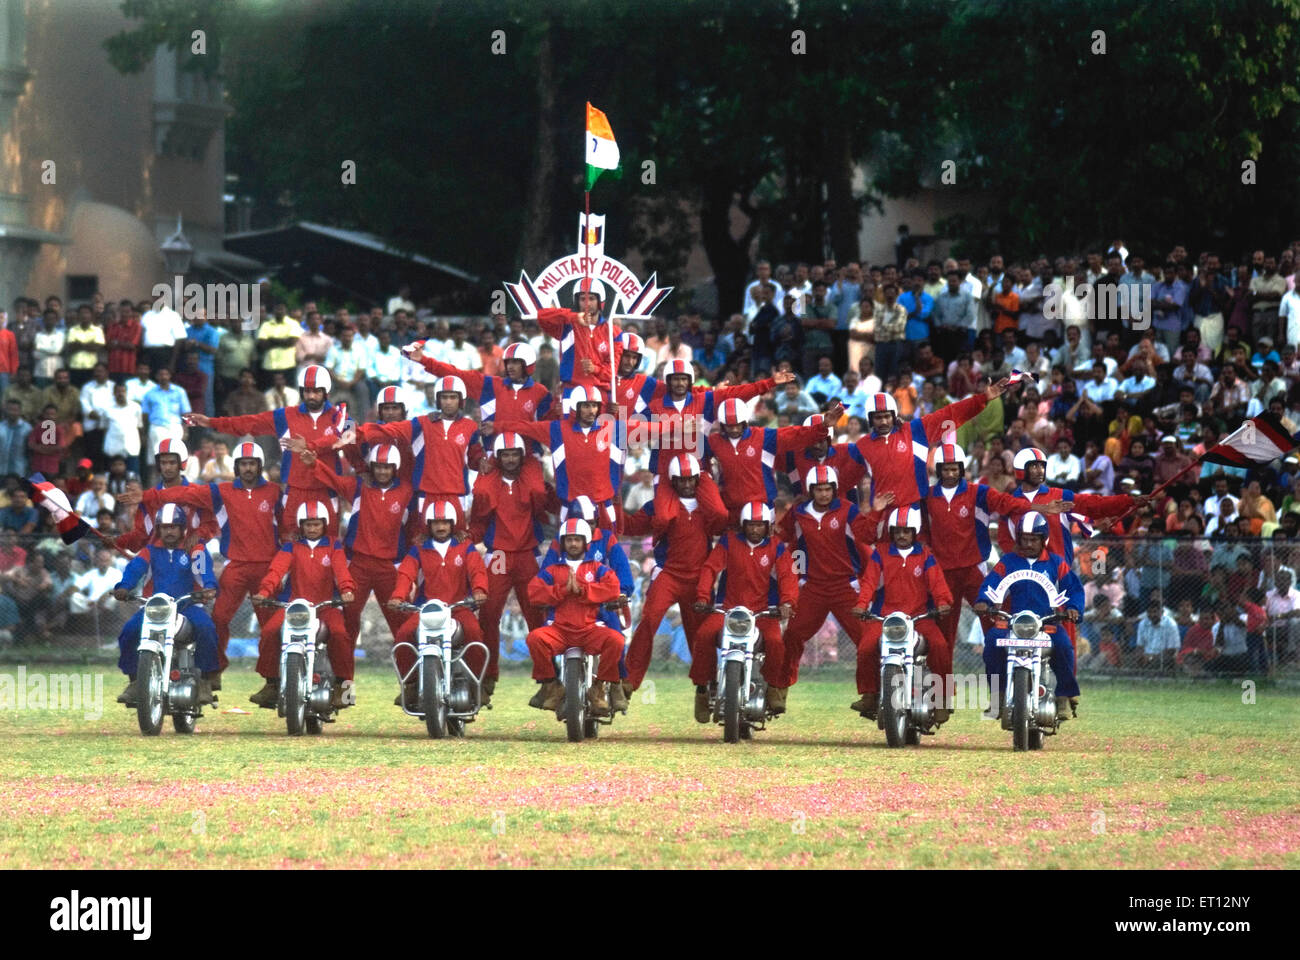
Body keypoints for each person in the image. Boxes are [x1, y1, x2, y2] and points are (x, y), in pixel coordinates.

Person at [116, 441, 280, 686]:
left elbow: (204, 566)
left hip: (249, 571)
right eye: (243, 464)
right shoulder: (151, 548)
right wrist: (122, 570)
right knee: (216, 620)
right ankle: (138, 682)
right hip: (207, 573)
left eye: (251, 464)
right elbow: (136, 558)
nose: (247, 468)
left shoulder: (275, 491)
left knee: (265, 627)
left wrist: (208, 581)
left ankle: (268, 680)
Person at [774, 466, 893, 712]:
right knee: (793, 635)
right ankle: (777, 689)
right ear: (811, 490)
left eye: (828, 489)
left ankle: (872, 694)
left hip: (845, 586)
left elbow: (866, 534)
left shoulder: (847, 510)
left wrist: (874, 512)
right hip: (813, 587)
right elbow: (783, 535)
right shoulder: (798, 513)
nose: (824, 494)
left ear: (835, 490)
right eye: (819, 489)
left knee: (867, 641)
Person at [185, 364, 347, 539]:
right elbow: (248, 422)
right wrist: (211, 422)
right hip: (295, 492)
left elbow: (350, 437)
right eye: (307, 391)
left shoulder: (340, 415)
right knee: (290, 545)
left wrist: (310, 446)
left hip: (327, 490)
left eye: (316, 391)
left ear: (326, 392)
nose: (311, 396)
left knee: (329, 546)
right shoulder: (285, 416)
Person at [621, 453, 728, 697]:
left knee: (701, 634)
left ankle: (705, 685)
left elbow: (724, 522)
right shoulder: (659, 505)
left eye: (691, 479)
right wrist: (611, 509)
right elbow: (631, 525)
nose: (688, 484)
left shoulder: (708, 505)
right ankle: (628, 680)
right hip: (667, 574)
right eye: (682, 480)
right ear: (673, 481)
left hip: (699, 578)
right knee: (648, 621)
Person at [300, 441, 418, 657]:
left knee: (403, 625)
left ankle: (410, 685)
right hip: (358, 565)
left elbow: (415, 527)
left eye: (387, 467)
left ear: (395, 468)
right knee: (346, 622)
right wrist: (314, 464)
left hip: (390, 567)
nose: (382, 471)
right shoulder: (358, 487)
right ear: (371, 467)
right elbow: (334, 480)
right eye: (378, 466)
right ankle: (343, 685)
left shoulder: (407, 491)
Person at [468, 431, 557, 703]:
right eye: (504, 454)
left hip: (528, 554)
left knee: (537, 619)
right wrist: (465, 540)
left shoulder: (532, 482)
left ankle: (548, 680)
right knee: (488, 616)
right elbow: (479, 521)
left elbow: (550, 503)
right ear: (497, 457)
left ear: (521, 456)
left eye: (513, 454)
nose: (509, 459)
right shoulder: (488, 483)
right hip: (499, 556)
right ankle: (486, 676)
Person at [692, 501, 796, 722]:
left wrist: (787, 603)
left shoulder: (776, 546)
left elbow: (787, 575)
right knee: (702, 636)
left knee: (776, 643)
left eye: (760, 525)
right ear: (743, 525)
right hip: (728, 610)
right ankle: (702, 689)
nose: (755, 530)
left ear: (768, 526)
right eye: (750, 525)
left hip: (763, 612)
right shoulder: (729, 541)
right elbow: (711, 568)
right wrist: (703, 597)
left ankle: (772, 688)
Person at [974, 513, 1084, 720]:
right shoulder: (1008, 561)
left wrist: (1074, 607)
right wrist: (983, 600)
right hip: (1013, 623)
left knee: (1064, 648)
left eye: (1034, 539)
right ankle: (997, 696)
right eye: (1024, 539)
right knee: (991, 643)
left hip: (1046, 624)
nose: (1029, 543)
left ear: (1044, 540)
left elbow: (1074, 589)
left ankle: (1062, 696)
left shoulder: (1056, 563)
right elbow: (991, 583)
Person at [250, 501, 357, 709]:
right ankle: (271, 683)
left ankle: (344, 687)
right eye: (308, 524)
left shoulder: (334, 545)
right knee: (270, 631)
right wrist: (264, 592)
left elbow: (341, 570)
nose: (312, 528)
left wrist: (346, 590)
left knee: (341, 634)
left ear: (324, 525)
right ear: (301, 525)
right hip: (294, 607)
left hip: (326, 606)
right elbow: (276, 571)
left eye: (316, 524)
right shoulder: (291, 546)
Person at [852, 506, 954, 723]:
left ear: (915, 531)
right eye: (897, 531)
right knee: (865, 648)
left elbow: (937, 583)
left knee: (940, 647)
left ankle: (942, 700)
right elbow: (869, 581)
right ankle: (869, 694)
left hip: (919, 618)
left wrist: (943, 602)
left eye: (906, 531)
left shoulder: (925, 554)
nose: (901, 535)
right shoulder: (880, 553)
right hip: (886, 618)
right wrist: (862, 605)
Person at [855, 377, 1021, 510]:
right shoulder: (862, 446)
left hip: (917, 511)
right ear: (870, 419)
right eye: (878, 417)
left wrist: (981, 399)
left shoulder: (915, 430)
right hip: (882, 513)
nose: (883, 421)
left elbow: (950, 414)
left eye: (887, 416)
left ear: (893, 415)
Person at [111, 505, 219, 707]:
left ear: (182, 528)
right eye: (164, 527)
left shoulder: (194, 549)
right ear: (158, 529)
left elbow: (204, 572)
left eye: (174, 527)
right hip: (155, 609)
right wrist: (123, 587)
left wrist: (210, 587)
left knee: (207, 629)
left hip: (188, 606)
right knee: (129, 632)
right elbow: (134, 570)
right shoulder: (149, 551)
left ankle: (205, 680)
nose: (169, 531)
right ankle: (134, 681)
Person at [386, 500, 489, 711]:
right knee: (403, 635)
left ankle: (475, 683)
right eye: (435, 523)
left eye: (445, 523)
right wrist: (398, 595)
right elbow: (406, 573)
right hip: (427, 609)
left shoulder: (464, 546)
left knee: (475, 634)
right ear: (428, 525)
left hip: (459, 607)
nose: (440, 527)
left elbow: (477, 570)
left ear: (452, 524)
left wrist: (479, 590)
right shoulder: (419, 548)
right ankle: (411, 684)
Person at [351, 374, 483, 531]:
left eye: (395, 408)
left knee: (447, 540)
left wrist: (484, 456)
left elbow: (474, 460)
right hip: (394, 494)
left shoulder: (467, 427)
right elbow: (350, 443)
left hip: (421, 494)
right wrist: (361, 468)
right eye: (386, 408)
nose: (391, 413)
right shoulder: (417, 424)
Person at [523, 518, 627, 714]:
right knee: (534, 638)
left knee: (617, 641)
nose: (573, 544)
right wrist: (562, 590)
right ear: (562, 542)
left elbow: (613, 587)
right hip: (560, 630)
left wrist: (583, 591)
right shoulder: (552, 570)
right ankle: (552, 685)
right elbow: (533, 591)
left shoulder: (597, 568)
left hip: (590, 628)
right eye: (569, 539)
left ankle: (598, 688)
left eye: (577, 540)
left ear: (586, 542)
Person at [704, 397, 836, 522]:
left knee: (767, 546)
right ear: (722, 425)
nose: (733, 429)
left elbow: (794, 434)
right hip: (732, 509)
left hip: (763, 509)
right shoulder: (714, 441)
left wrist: (822, 426)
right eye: (729, 426)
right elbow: (696, 455)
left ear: (745, 422)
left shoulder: (763, 436)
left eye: (737, 425)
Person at [114, 439, 219, 553]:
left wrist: (198, 534)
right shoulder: (147, 499)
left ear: (181, 463)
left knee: (203, 568)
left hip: (195, 555)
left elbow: (212, 524)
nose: (167, 467)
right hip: (161, 559)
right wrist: (118, 541)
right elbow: (141, 535)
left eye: (172, 463)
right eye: (163, 463)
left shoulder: (197, 491)